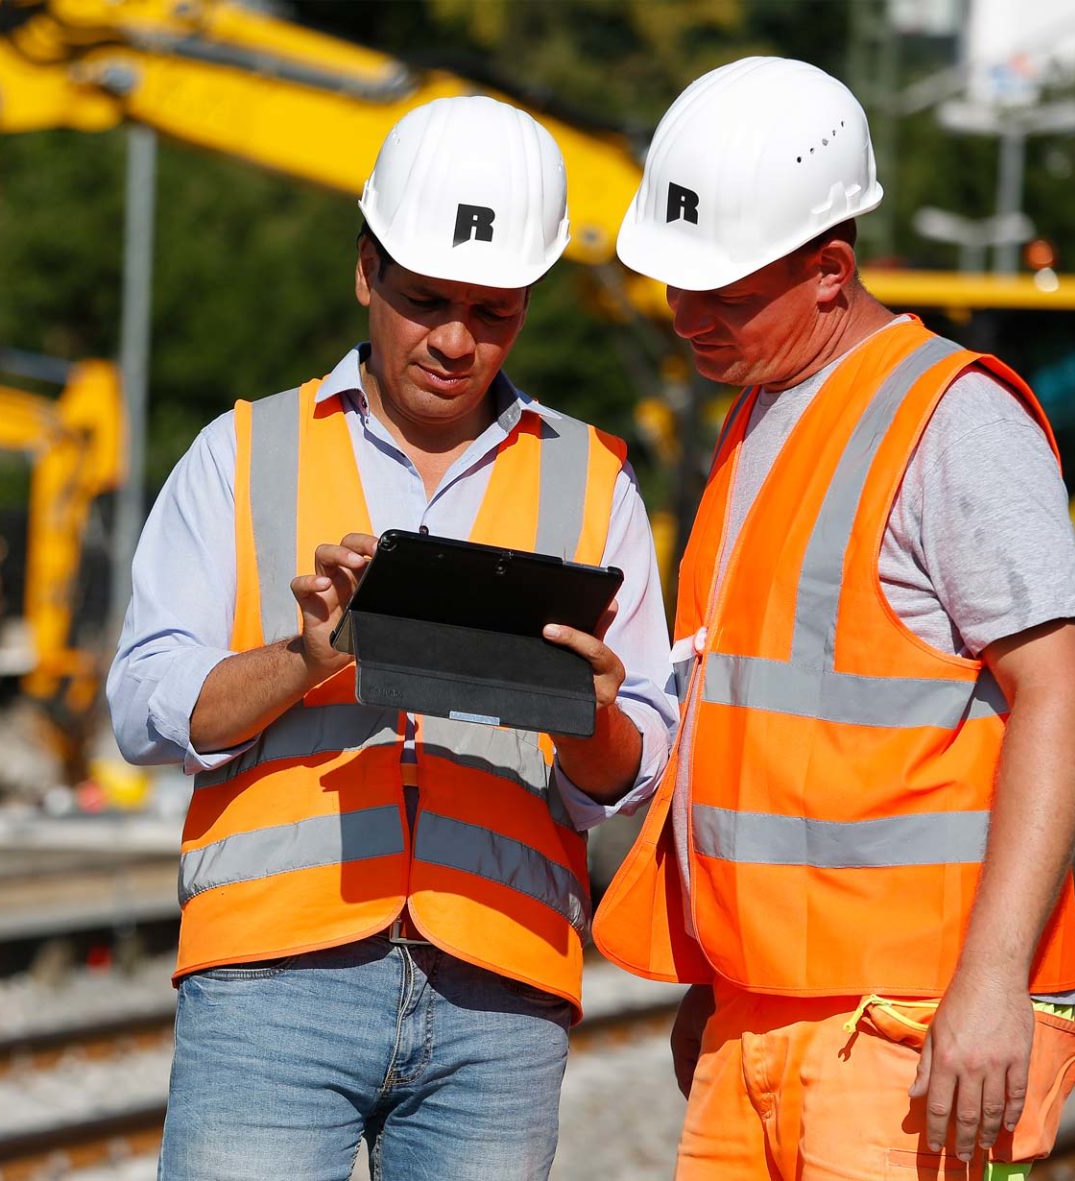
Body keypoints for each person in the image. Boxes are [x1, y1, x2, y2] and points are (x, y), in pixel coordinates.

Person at [108, 96, 675, 1180]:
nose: (457, 340)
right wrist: (305, 658)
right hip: (272, 974)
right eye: (427, 302)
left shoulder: (592, 477)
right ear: (367, 270)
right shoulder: (241, 452)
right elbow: (142, 704)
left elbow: (632, 767)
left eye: (494, 310)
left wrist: (594, 714)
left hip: (498, 988)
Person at [593, 57, 1075, 1180]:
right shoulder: (757, 423)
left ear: (830, 269)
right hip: (752, 1019)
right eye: (674, 285)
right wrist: (715, 982)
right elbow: (761, 743)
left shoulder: (952, 416)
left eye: (722, 294)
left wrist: (991, 984)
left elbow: (1062, 690)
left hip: (909, 1030)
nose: (685, 316)